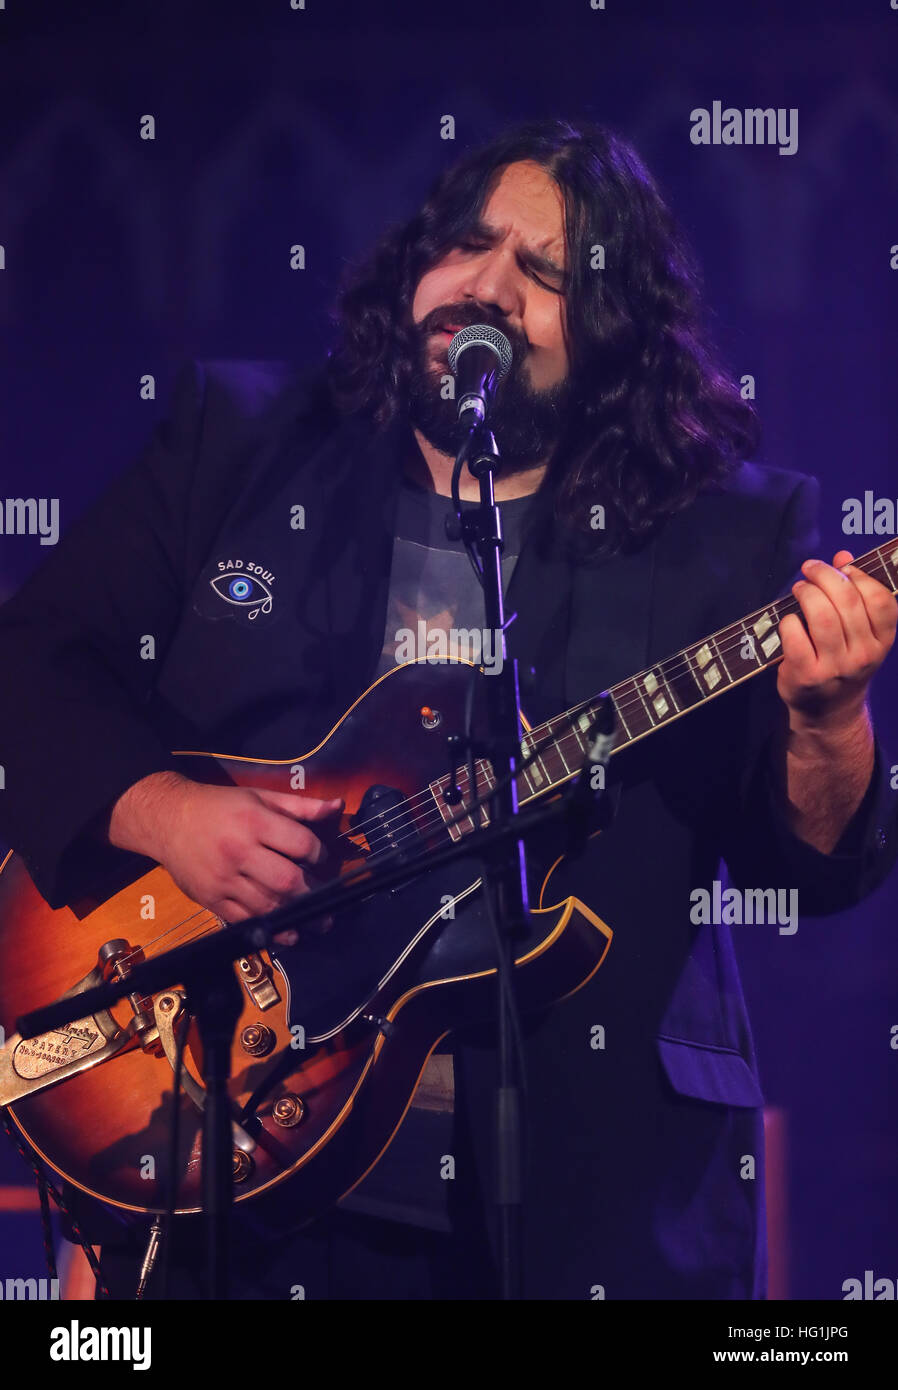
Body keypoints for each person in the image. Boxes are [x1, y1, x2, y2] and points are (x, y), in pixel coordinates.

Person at [0, 117, 896, 1300]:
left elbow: (817, 865)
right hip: (243, 1169)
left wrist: (829, 720)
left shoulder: (724, 536)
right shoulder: (241, 440)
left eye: (541, 273)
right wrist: (166, 811)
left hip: (590, 1201)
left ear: (612, 331)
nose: (485, 287)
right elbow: (34, 654)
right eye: (465, 246)